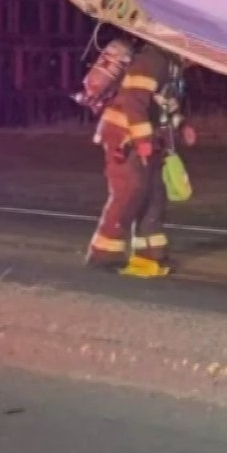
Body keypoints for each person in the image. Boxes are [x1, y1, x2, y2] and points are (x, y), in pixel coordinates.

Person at [84, 37, 196, 277]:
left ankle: (151, 254)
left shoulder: (170, 65)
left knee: (154, 195)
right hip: (123, 137)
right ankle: (103, 254)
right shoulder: (152, 61)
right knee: (129, 192)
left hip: (149, 139)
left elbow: (166, 103)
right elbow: (133, 101)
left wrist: (182, 124)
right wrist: (143, 139)